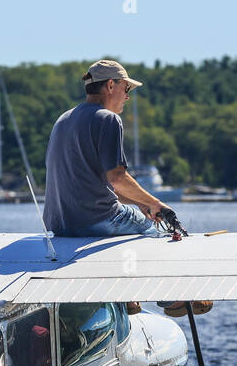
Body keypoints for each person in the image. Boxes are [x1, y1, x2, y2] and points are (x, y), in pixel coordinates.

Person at [43, 59, 175, 238]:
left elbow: (92, 189)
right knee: (157, 234)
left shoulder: (63, 120)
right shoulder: (108, 119)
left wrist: (140, 202)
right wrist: (156, 204)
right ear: (111, 85)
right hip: (98, 220)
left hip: (59, 225)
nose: (127, 96)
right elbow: (117, 178)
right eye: (126, 89)